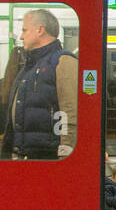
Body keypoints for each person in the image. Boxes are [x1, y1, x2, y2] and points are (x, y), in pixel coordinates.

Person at [5, 10, 76, 160]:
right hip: (29, 156)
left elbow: (71, 111)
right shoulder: (29, 67)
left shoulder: (63, 62)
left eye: (24, 30)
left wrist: (66, 155)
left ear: (40, 30)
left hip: (50, 157)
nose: (21, 36)